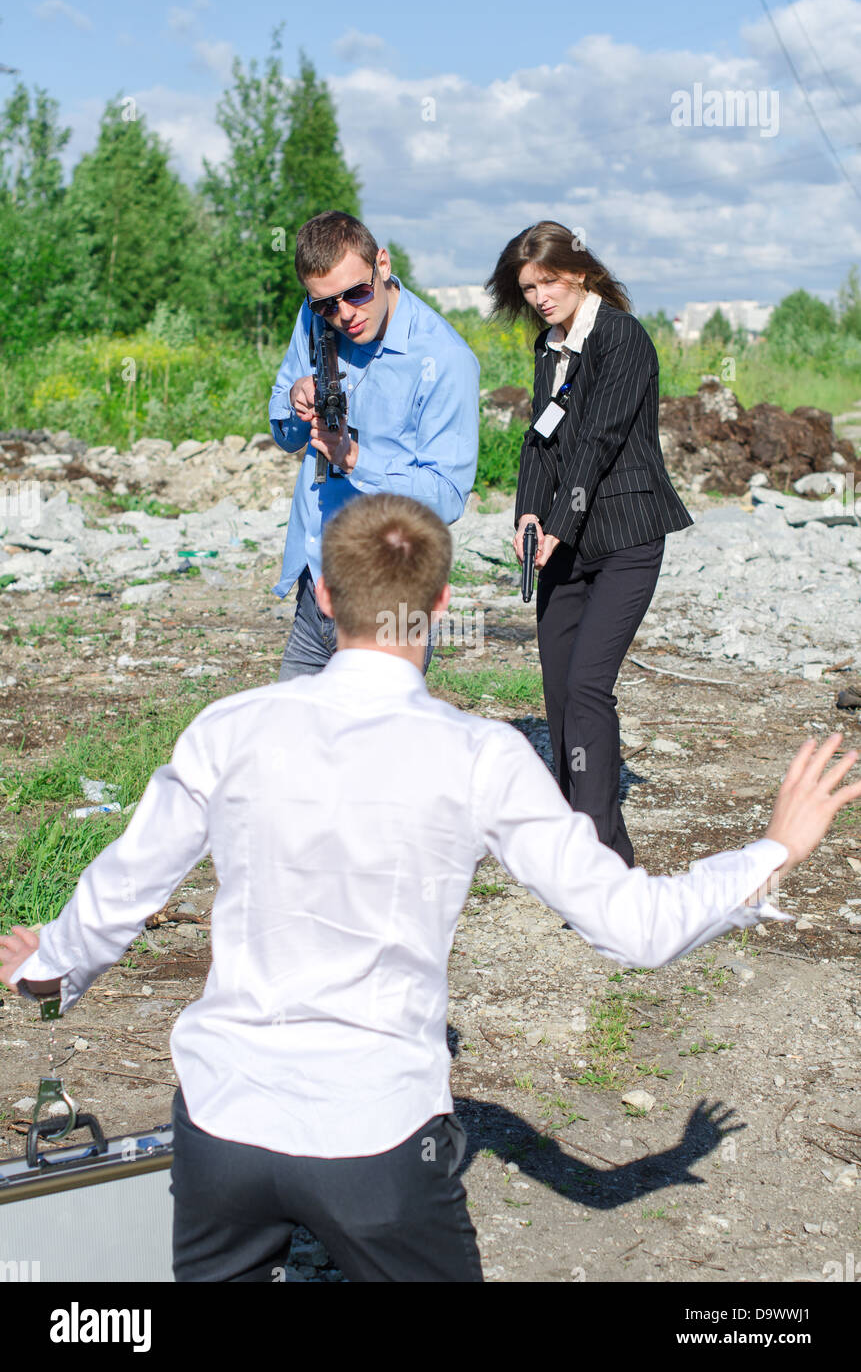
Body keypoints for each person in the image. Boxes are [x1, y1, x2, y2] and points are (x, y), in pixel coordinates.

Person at [1, 492, 858, 1285]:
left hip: (220, 1132)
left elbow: (121, 886)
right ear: (440, 607)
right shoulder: (479, 756)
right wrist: (770, 851)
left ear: (324, 599)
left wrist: (48, 968)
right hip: (375, 1141)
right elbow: (632, 927)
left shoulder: (230, 728)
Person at [486, 220, 694, 866]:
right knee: (557, 694)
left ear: (578, 271)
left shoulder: (622, 338)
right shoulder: (550, 349)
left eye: (547, 281)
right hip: (560, 545)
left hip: (625, 537)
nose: (539, 297)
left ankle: (595, 860)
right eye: (528, 288)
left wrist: (558, 525)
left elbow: (599, 439)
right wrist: (527, 515)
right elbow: (540, 442)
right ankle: (591, 842)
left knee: (585, 690)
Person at [268, 209, 479, 681]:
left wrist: (354, 458)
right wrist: (295, 399)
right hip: (317, 578)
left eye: (357, 293)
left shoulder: (445, 360)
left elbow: (446, 496)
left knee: (379, 749)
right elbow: (283, 432)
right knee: (293, 746)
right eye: (325, 304)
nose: (344, 314)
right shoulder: (313, 319)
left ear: (382, 265)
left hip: (390, 592)